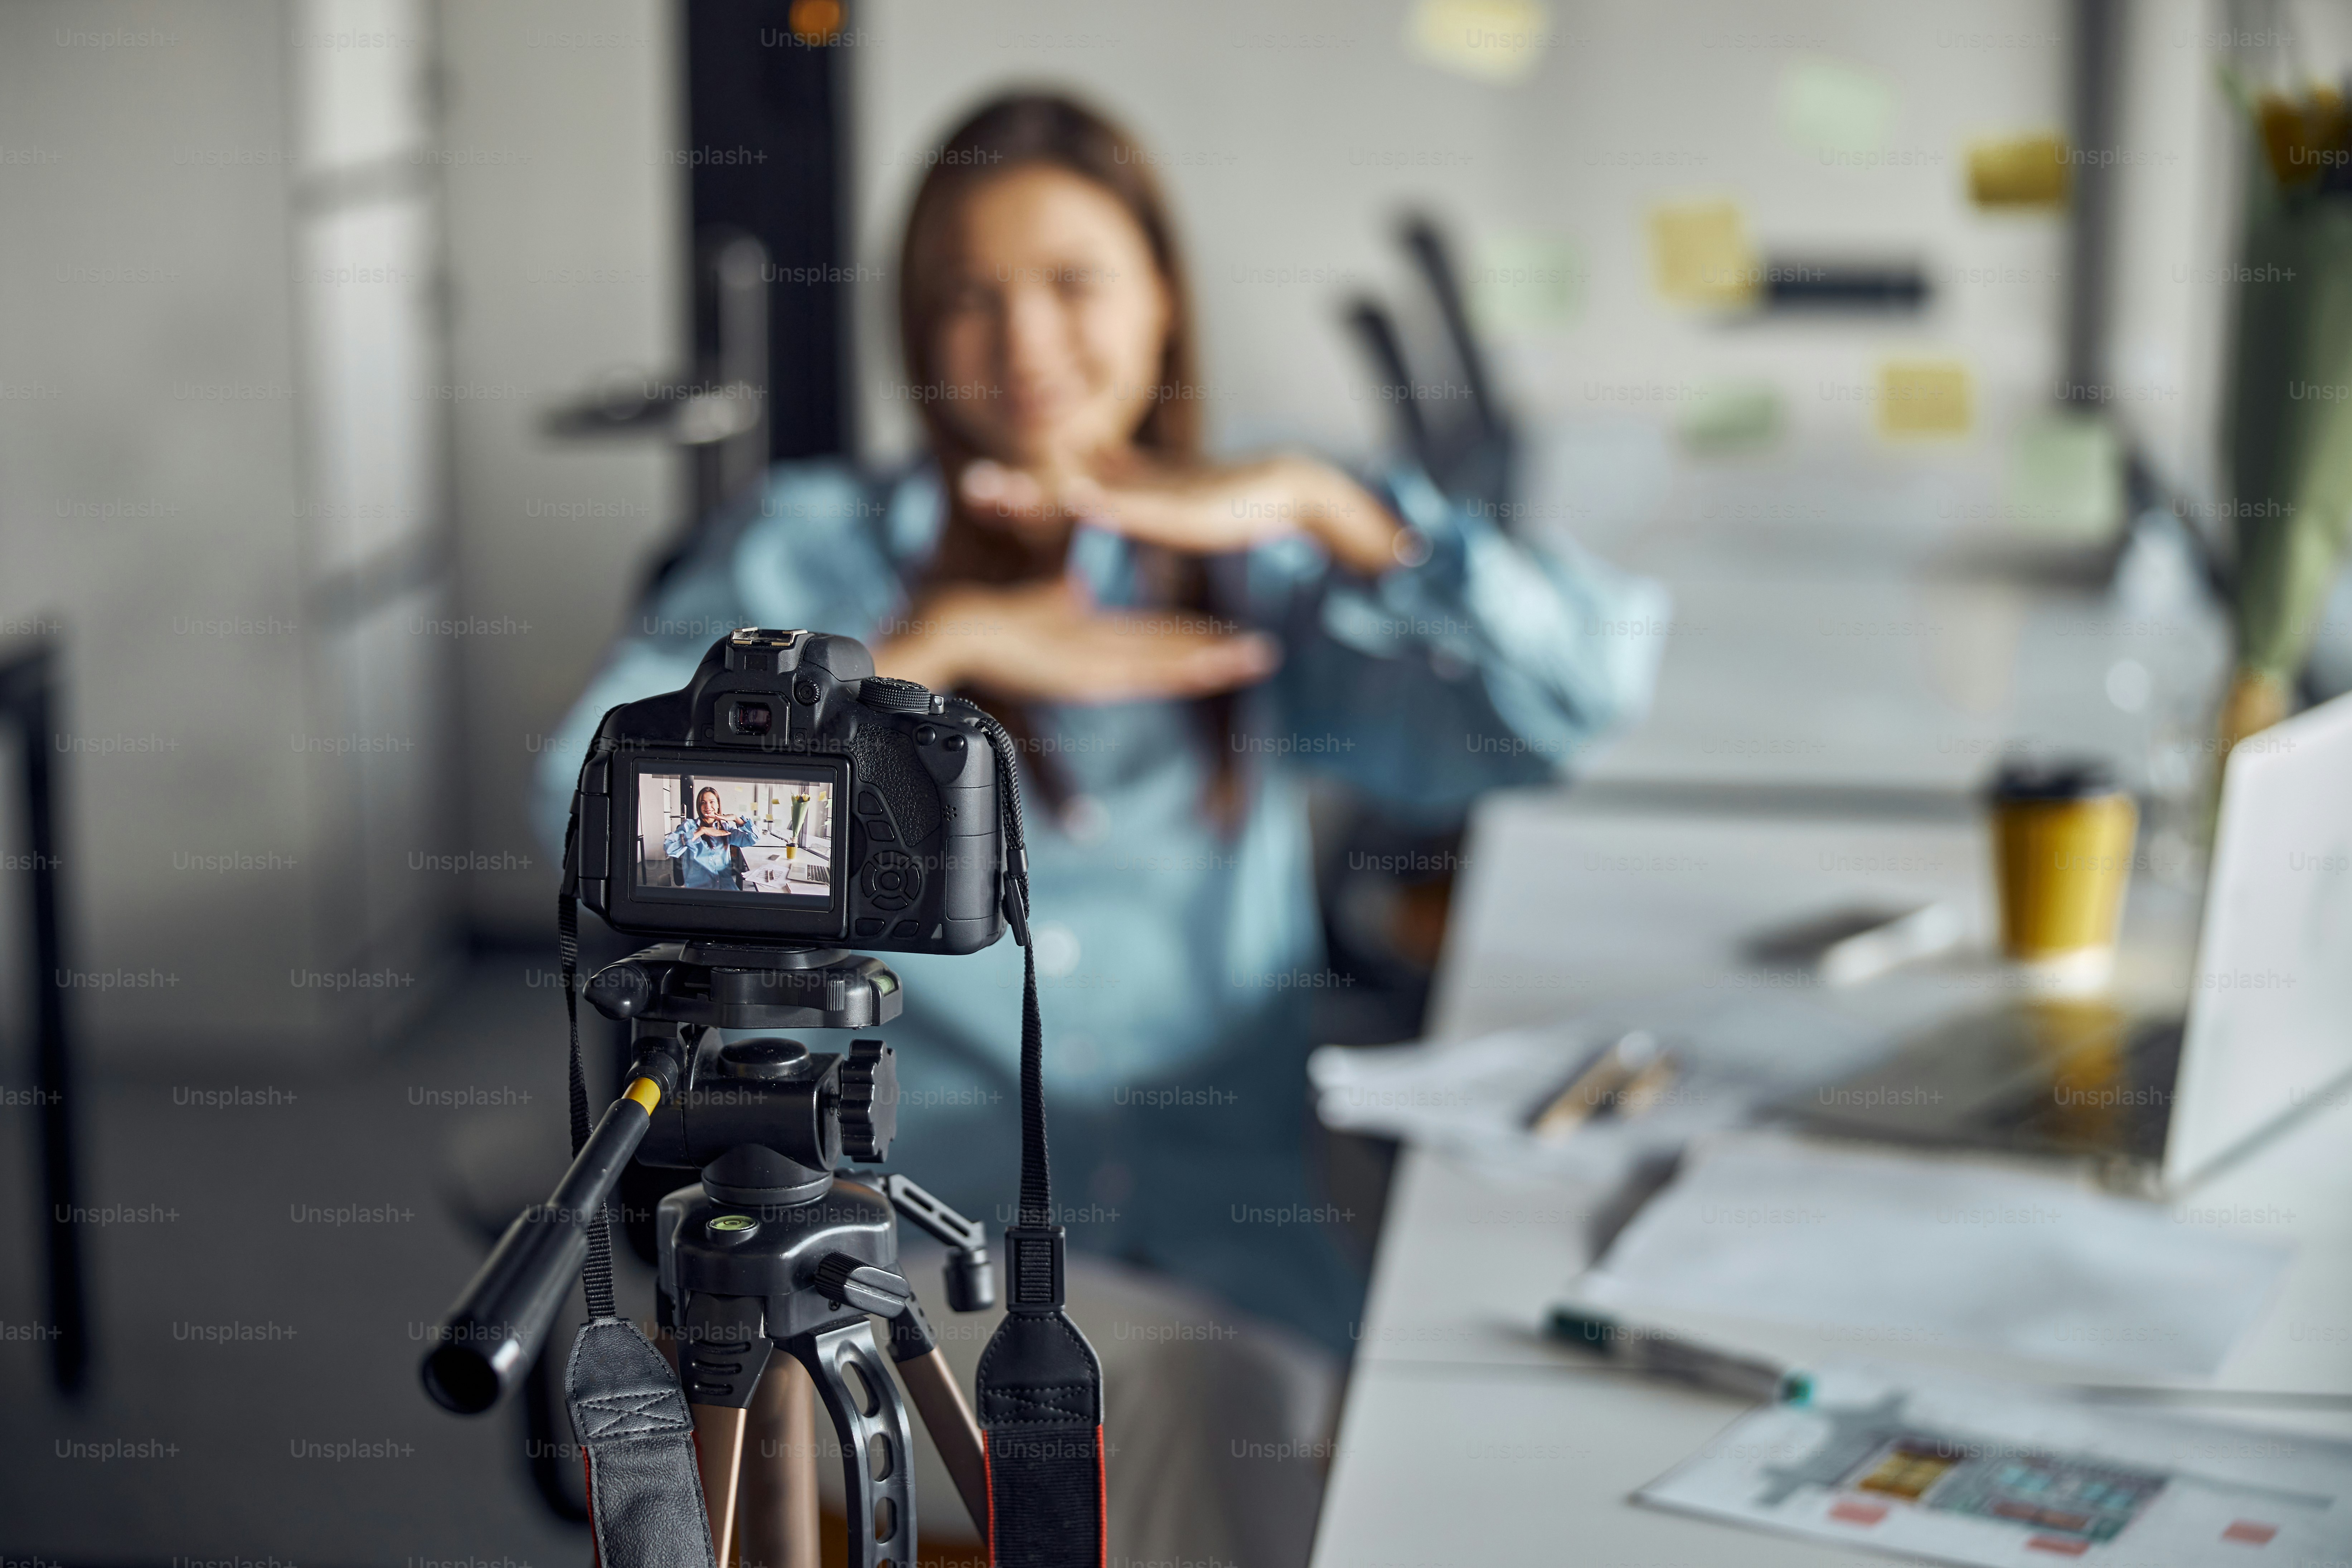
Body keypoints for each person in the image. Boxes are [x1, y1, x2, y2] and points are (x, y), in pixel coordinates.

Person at [539, 93, 1667, 1354]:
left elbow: (1567, 708)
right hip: (902, 1273)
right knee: (1218, 1441)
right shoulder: (808, 553)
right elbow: (587, 821)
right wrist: (929, 658)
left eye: (1074, 282)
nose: (1023, 339)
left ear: (1162, 301)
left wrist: (1340, 512)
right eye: (969, 296)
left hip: (1233, 1253)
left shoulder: (1257, 555)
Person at [664, 785, 758, 889]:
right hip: (699, 889)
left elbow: (753, 838)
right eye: (703, 803)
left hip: (725, 886)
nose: (708, 807)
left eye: (712, 802)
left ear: (718, 805)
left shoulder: (724, 828)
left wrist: (736, 819)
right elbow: (669, 848)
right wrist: (701, 831)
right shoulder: (689, 826)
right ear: (699, 806)